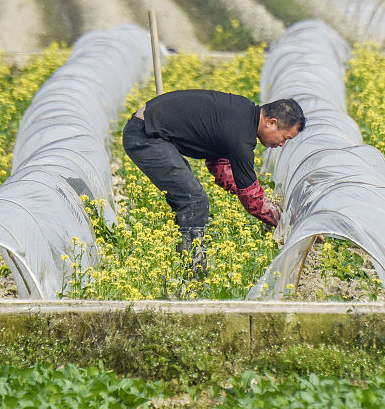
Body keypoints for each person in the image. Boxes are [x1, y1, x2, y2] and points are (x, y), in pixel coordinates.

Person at [122, 89, 305, 276]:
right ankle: (193, 272)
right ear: (271, 123)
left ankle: (180, 257)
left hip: (149, 129)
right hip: (145, 136)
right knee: (194, 200)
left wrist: (259, 199)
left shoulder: (243, 113)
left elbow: (220, 169)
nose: (282, 144)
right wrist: (288, 223)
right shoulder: (241, 138)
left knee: (188, 197)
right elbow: (253, 202)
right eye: (285, 138)